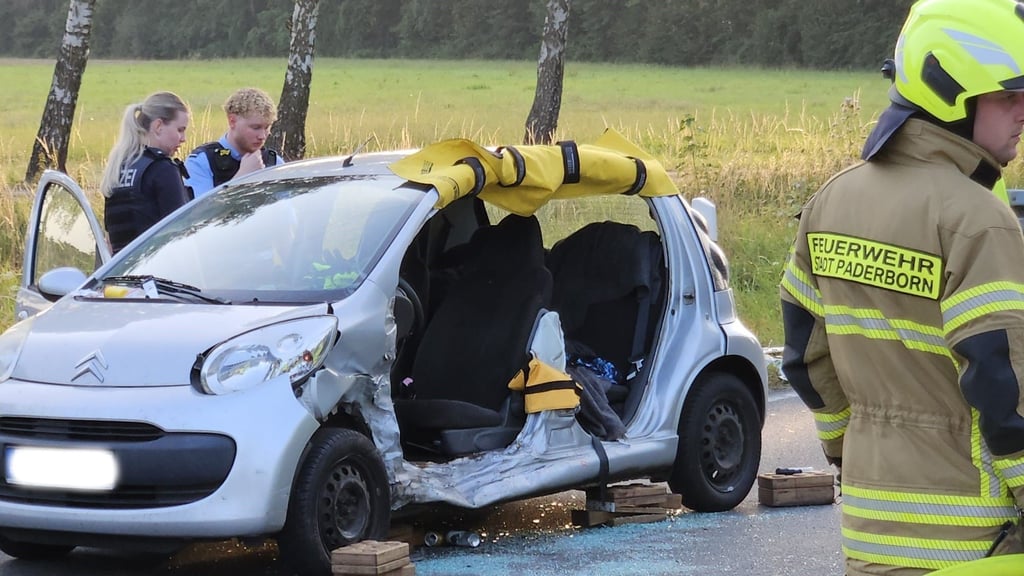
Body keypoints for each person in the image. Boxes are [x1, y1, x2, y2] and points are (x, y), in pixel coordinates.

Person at [780, 0, 1024, 574]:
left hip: (869, 534)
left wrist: (848, 449)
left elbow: (805, 357)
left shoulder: (831, 201)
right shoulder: (976, 217)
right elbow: (1003, 384)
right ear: (951, 92)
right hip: (978, 539)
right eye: (1009, 95)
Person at [100, 91, 191, 255]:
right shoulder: (163, 169)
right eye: (180, 130)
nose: (183, 138)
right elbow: (179, 234)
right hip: (156, 271)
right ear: (158, 126)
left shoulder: (118, 168)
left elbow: (110, 241)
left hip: (121, 273)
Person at [184, 87, 285, 197]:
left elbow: (289, 210)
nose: (262, 136)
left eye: (267, 127)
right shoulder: (202, 162)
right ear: (232, 121)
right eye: (256, 127)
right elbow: (200, 212)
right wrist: (242, 178)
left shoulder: (275, 163)